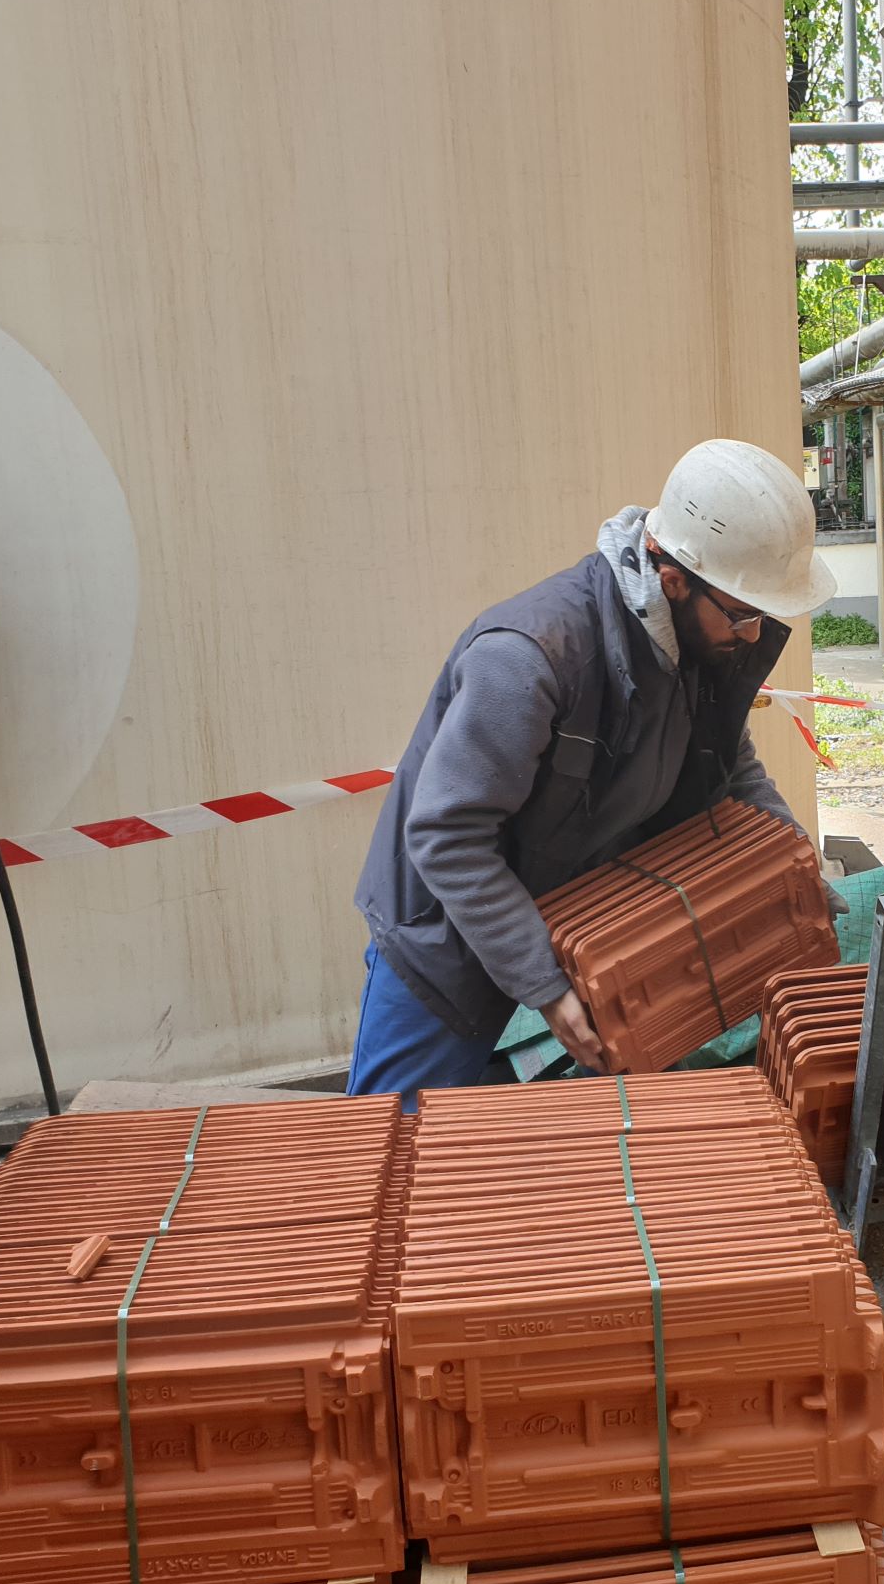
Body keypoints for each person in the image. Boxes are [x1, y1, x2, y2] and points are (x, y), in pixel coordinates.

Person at [348, 438, 837, 1105]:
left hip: (568, 909)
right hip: (445, 932)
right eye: (743, 613)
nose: (752, 636)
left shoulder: (693, 642)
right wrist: (543, 986)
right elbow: (444, 835)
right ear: (671, 579)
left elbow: (729, 773)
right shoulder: (532, 659)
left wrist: (793, 871)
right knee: (396, 1137)